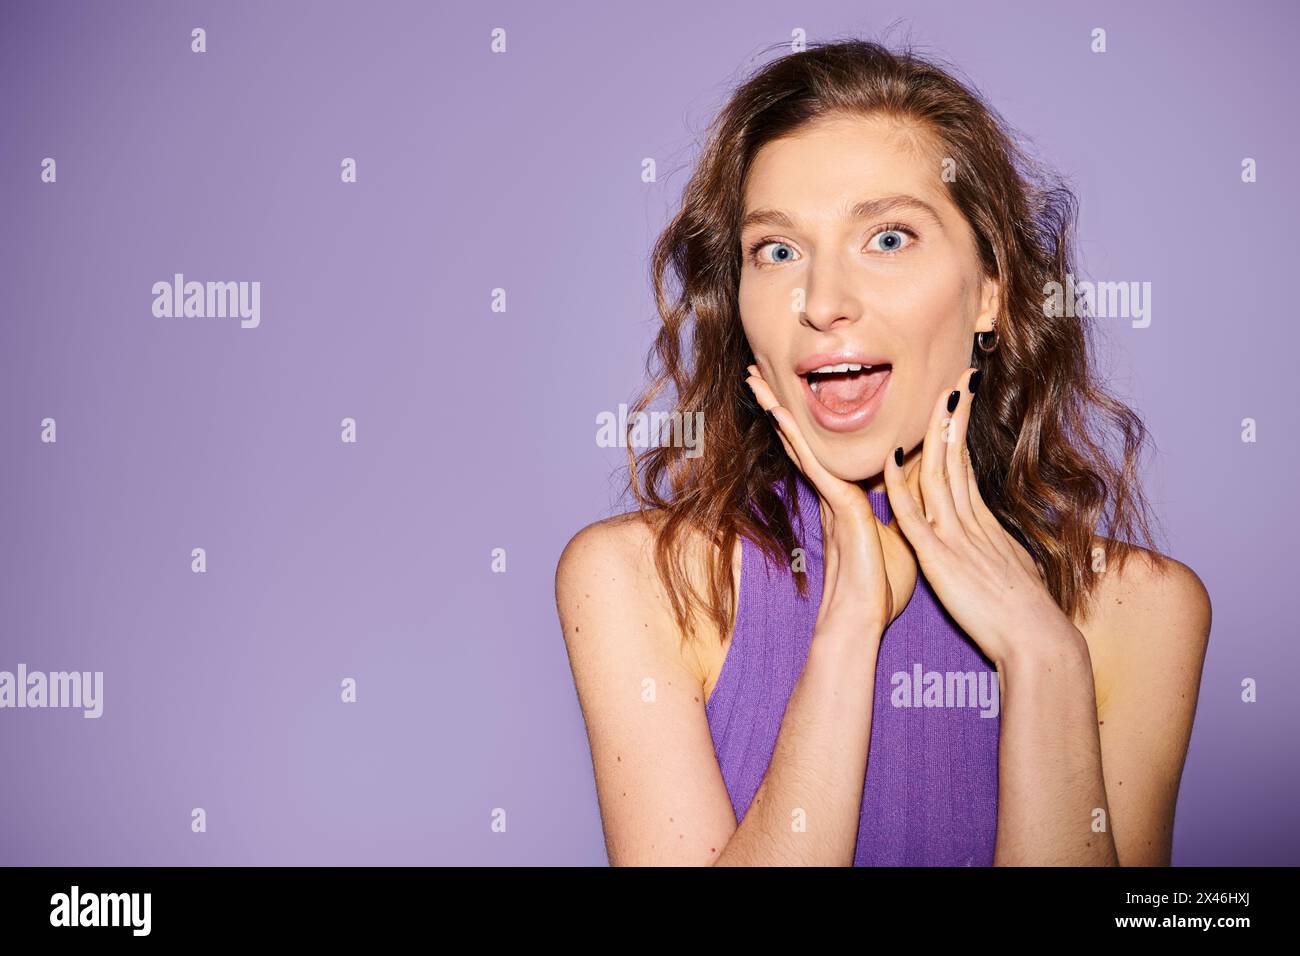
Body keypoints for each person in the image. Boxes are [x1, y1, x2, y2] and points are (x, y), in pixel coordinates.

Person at [555, 38, 1211, 866]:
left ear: (990, 290)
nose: (823, 301)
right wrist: (848, 630)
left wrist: (1043, 658)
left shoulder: (1142, 609)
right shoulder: (641, 580)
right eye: (778, 251)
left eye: (889, 238)